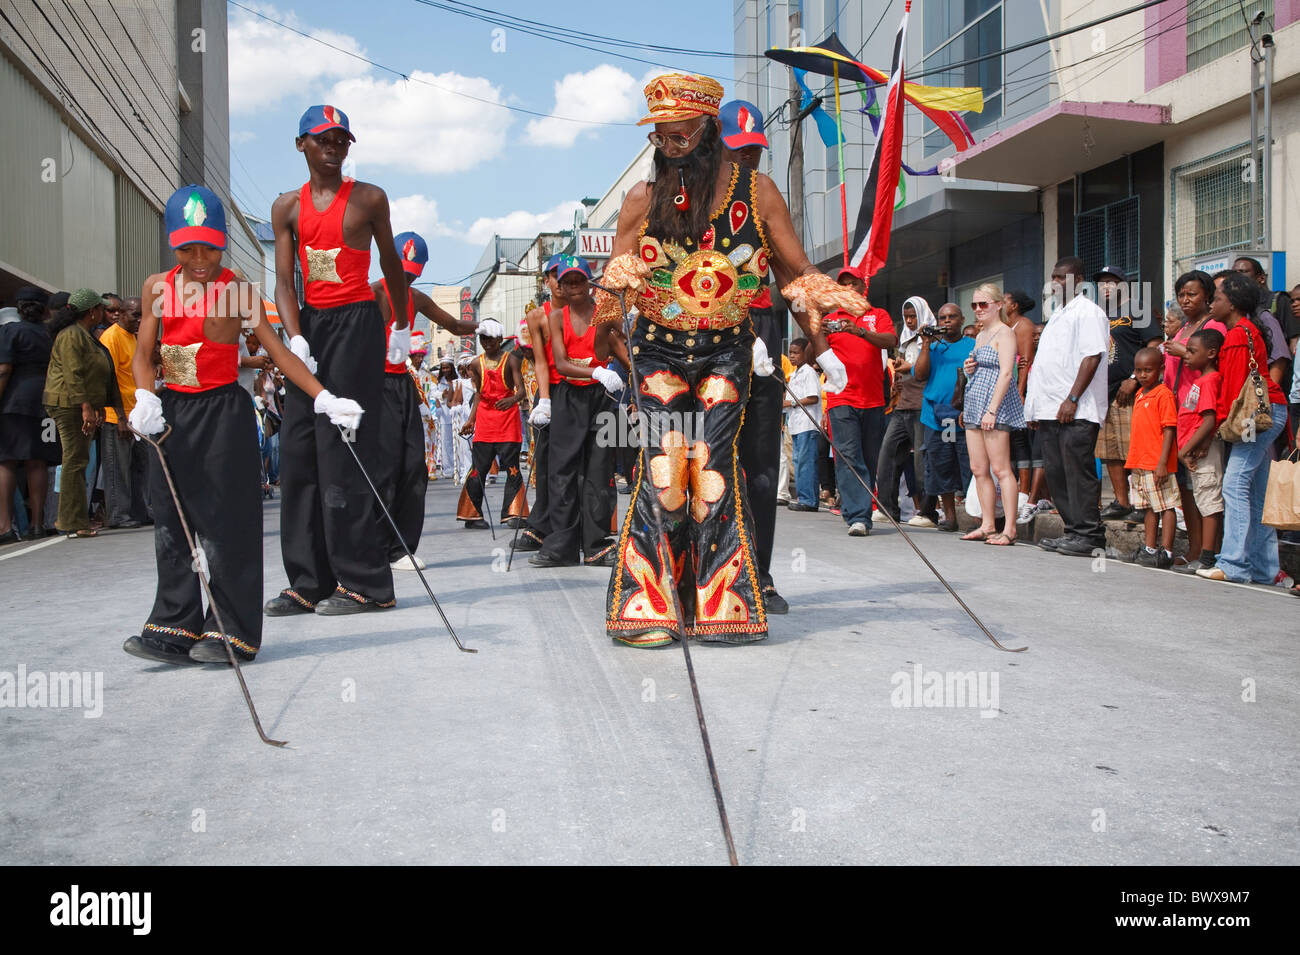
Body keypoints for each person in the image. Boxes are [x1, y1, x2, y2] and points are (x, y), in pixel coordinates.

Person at [593, 72, 857, 648]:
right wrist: (606, 348)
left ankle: (722, 604)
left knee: (709, 469)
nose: (670, 145)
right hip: (657, 347)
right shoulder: (641, 199)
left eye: (681, 134)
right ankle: (650, 605)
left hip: (727, 349)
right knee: (668, 471)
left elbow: (794, 271)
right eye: (661, 136)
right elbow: (614, 287)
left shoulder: (756, 191)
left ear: (708, 130)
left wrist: (824, 347)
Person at [122, 184, 363, 666]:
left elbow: (276, 354)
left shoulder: (238, 291)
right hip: (171, 417)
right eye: (186, 247)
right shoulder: (156, 288)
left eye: (208, 247)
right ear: (172, 243)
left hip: (222, 415)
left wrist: (324, 398)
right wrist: (145, 396)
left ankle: (231, 631)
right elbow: (144, 356)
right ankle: (174, 624)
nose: (198, 258)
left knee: (225, 524)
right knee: (172, 521)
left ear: (222, 242)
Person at [264, 105, 408, 618]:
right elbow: (284, 282)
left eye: (342, 139)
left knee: (344, 450)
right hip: (312, 326)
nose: (334, 145)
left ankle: (367, 583)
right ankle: (308, 580)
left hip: (357, 324)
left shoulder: (368, 198)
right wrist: (296, 337)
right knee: (301, 449)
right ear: (301, 143)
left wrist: (401, 323)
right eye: (323, 138)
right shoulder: (286, 207)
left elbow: (391, 263)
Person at [722, 98, 791, 610]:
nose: (747, 164)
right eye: (737, 153)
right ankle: (708, 577)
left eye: (754, 153)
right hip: (706, 335)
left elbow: (790, 270)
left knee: (761, 465)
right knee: (705, 461)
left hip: (762, 328)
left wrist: (820, 342)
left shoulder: (766, 195)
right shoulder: (691, 200)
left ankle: (759, 575)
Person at [1197, 271, 1290, 585]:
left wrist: (1218, 427)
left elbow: (1234, 389)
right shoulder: (1247, 329)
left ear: (1233, 304)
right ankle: (1264, 569)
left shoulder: (1238, 334)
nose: (1212, 303)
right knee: (1256, 493)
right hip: (1269, 413)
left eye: (1218, 298)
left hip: (1253, 418)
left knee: (1234, 486)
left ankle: (1234, 564)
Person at [531, 256, 622, 567]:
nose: (573, 286)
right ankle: (561, 546)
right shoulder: (556, 318)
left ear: (589, 282)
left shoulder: (605, 313)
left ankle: (596, 545)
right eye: (567, 281)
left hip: (601, 399)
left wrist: (638, 379)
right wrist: (597, 372)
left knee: (599, 473)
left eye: (579, 280)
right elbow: (560, 362)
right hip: (568, 396)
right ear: (561, 286)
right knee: (562, 472)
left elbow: (624, 348)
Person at [1025, 256, 1109, 558]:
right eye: (1054, 277)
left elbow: (1092, 357)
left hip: (1076, 410)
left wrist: (1071, 399)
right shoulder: (1058, 315)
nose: (1057, 283)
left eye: (1064, 277)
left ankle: (1089, 534)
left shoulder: (1088, 313)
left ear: (1080, 280)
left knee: (1077, 472)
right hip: (1049, 410)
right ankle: (1073, 531)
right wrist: (1034, 409)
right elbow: (1047, 365)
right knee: (1057, 473)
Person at [820, 267, 897, 536]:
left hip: (874, 399)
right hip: (841, 398)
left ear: (863, 288)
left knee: (868, 458)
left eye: (853, 284)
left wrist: (859, 331)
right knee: (848, 457)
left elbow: (890, 340)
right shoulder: (831, 319)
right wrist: (813, 330)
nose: (848, 289)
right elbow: (810, 356)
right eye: (843, 286)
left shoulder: (878, 315)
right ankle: (859, 516)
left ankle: (859, 507)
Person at [43, 289, 122, 539]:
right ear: (92, 311)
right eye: (101, 308)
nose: (103, 312)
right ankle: (70, 520)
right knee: (74, 460)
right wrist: (86, 407)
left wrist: (98, 406)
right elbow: (73, 374)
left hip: (79, 404)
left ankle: (74, 519)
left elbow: (96, 375)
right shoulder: (71, 336)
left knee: (78, 460)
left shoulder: (84, 335)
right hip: (69, 404)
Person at [960, 283, 1024, 545]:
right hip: (975, 402)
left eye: (983, 304)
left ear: (998, 305)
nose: (978, 309)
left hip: (994, 406)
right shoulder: (981, 335)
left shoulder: (1005, 333)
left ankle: (1009, 528)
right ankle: (987, 524)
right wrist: (969, 367)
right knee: (978, 468)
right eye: (974, 304)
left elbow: (1007, 373)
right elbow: (981, 369)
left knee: (1001, 469)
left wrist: (992, 410)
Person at [512, 254, 562, 554]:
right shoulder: (536, 315)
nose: (561, 282)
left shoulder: (585, 311)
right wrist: (543, 398)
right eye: (555, 275)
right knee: (543, 460)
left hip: (581, 389)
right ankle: (541, 524)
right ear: (547, 281)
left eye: (567, 276)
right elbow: (532, 356)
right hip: (547, 389)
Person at [0, 287, 58, 543]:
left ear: (20, 308)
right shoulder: (52, 334)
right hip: (46, 402)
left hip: (15, 401)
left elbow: (4, 369)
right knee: (38, 461)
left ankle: (4, 527)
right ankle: (37, 524)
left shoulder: (10, 331)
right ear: (44, 308)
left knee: (7, 461)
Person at [456, 319, 525, 529]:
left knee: (512, 467)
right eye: (483, 338)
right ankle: (471, 514)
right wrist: (471, 420)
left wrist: (512, 399)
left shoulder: (511, 359)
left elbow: (521, 390)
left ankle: (513, 513)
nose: (487, 342)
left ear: (499, 339)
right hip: (486, 422)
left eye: (491, 338)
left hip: (508, 420)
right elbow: (478, 395)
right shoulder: (475, 364)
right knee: (479, 468)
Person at [1092, 266, 1148, 522]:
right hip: (1105, 391)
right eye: (1101, 283)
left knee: (1134, 449)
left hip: (1131, 391)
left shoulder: (1138, 308)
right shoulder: (1098, 314)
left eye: (1111, 282)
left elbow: (1155, 344)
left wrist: (1135, 379)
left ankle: (1141, 502)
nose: (1105, 287)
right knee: (1110, 450)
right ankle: (1121, 501)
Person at [912, 303, 974, 531]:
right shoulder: (934, 347)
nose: (947, 321)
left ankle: (977, 517)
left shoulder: (973, 345)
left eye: (952, 317)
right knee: (942, 465)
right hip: (939, 418)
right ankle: (950, 517)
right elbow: (919, 375)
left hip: (964, 416)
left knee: (969, 466)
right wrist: (926, 344)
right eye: (943, 317)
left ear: (961, 319)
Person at [876, 295, 935, 525]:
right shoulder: (905, 339)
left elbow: (923, 371)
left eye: (913, 317)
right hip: (902, 406)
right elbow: (900, 367)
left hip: (922, 406)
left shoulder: (930, 339)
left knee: (922, 461)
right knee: (887, 455)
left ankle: (928, 511)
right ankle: (887, 508)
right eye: (906, 317)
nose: (910, 321)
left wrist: (909, 367)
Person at [99, 294, 152, 529]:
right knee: (117, 468)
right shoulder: (111, 338)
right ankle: (117, 514)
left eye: (143, 315)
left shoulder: (134, 337)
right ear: (121, 314)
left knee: (141, 467)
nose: (140, 320)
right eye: (135, 315)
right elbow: (107, 380)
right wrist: (120, 417)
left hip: (137, 413)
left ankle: (141, 511)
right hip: (117, 415)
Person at [1174, 329, 1225, 574]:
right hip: (1194, 450)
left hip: (1202, 452)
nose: (1187, 355)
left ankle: (1207, 557)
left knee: (1209, 501)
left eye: (1193, 352)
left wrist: (1187, 449)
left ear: (1212, 353)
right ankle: (1208, 553)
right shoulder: (1200, 380)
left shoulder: (1209, 380)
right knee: (1203, 500)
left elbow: (1208, 420)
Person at [1123, 348, 1179, 567]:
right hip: (1139, 461)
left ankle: (1166, 551)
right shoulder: (1140, 393)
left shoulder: (1163, 394)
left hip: (1156, 463)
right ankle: (1150, 548)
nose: (1143, 375)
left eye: (1148, 370)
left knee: (1166, 506)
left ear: (1161, 369)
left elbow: (1169, 429)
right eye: (1139, 371)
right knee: (1147, 507)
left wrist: (1163, 462)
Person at [1002, 289, 1039, 519]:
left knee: (1020, 440)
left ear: (1014, 305)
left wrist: (1020, 391)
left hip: (1017, 387)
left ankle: (1024, 491)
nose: (1001, 304)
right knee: (1008, 442)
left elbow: (1026, 360)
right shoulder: (1006, 326)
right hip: (1004, 388)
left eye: (1004, 300)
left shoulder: (1023, 325)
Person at [785, 337, 822, 511]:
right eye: (790, 353)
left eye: (795, 353)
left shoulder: (808, 372)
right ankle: (803, 496)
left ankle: (808, 499)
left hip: (807, 424)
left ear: (804, 354)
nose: (792, 356)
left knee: (806, 462)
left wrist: (791, 403)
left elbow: (813, 397)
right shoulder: (794, 374)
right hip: (795, 424)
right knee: (798, 461)